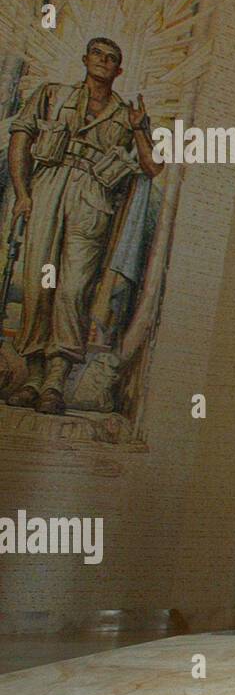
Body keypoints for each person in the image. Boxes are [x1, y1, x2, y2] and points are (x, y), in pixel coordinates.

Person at [4, 37, 164, 415]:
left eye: (112, 59)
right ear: (85, 59)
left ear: (119, 70)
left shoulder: (128, 114)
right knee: (37, 283)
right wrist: (23, 194)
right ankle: (32, 377)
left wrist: (140, 129)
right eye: (98, 54)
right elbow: (20, 139)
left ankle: (55, 381)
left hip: (92, 201)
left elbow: (153, 167)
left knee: (74, 289)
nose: (104, 62)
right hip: (47, 190)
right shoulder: (52, 95)